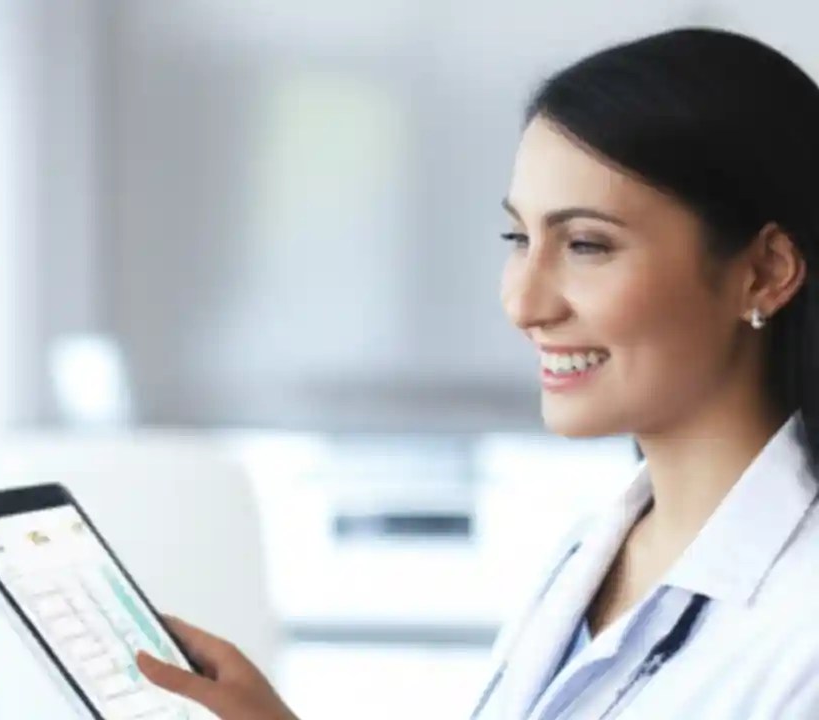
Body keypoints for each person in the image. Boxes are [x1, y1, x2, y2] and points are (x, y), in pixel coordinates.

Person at [135, 27, 819, 719]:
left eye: (586, 245)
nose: (524, 304)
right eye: (520, 239)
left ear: (764, 272)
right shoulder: (591, 554)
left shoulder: (802, 634)